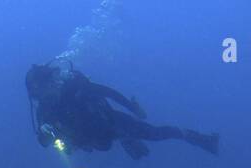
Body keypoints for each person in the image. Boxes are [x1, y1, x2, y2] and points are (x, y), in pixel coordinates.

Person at [26, 60, 218, 158]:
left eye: (48, 85)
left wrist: (133, 108)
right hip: (90, 140)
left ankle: (199, 139)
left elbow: (108, 92)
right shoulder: (45, 110)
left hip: (110, 122)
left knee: (154, 133)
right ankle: (125, 139)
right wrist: (47, 134)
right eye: (40, 92)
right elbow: (43, 141)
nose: (47, 92)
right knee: (103, 145)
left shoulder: (74, 87)